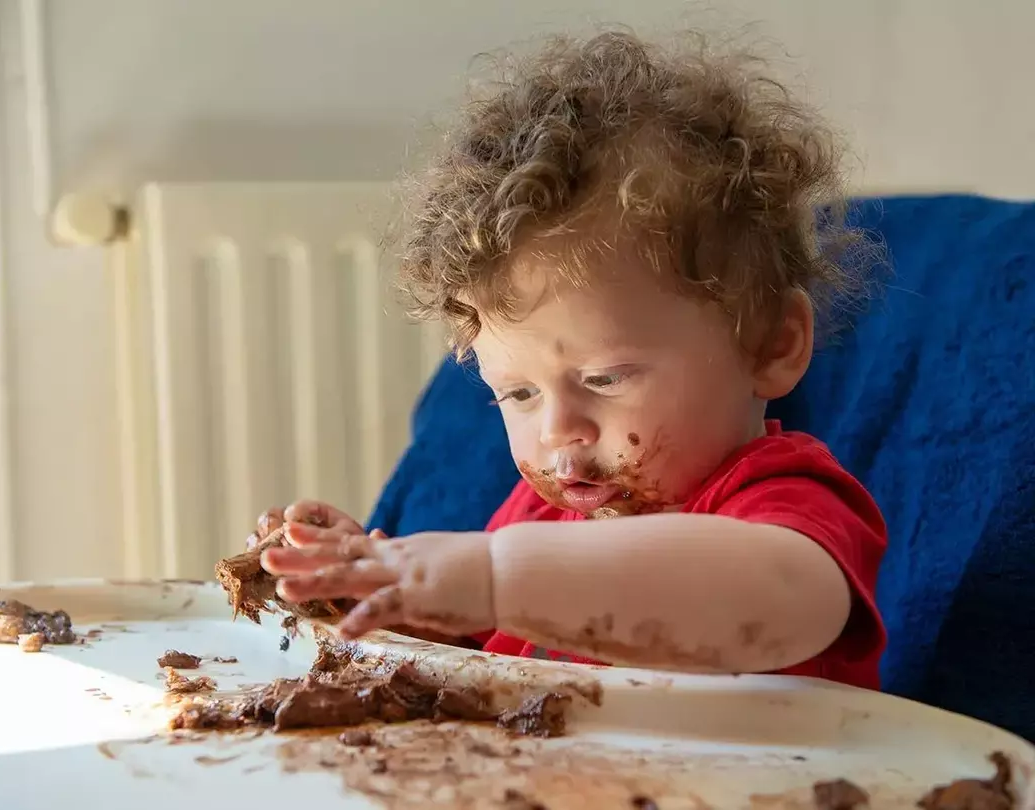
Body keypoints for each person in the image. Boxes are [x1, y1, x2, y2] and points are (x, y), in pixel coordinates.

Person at [251, 30, 888, 689]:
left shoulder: (781, 504)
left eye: (604, 378)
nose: (557, 430)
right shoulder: (544, 515)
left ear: (770, 344)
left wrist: (496, 577)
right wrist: (380, 592)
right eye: (519, 394)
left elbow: (774, 598)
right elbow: (482, 657)